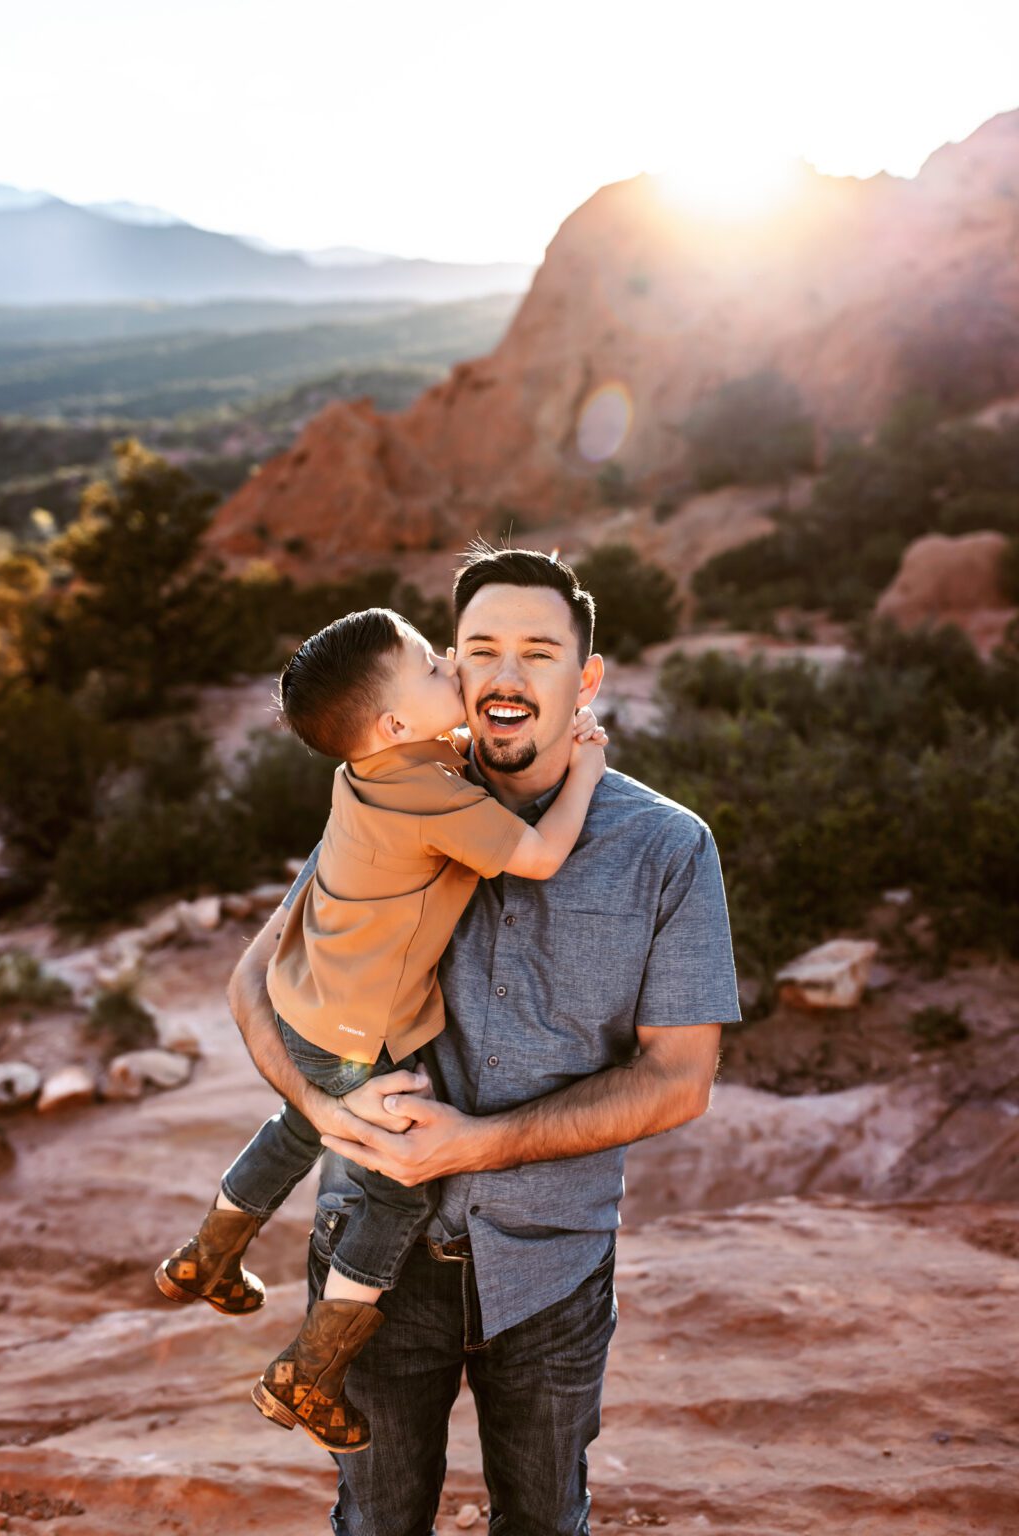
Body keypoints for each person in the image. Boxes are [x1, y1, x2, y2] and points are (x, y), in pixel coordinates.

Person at [227, 544, 741, 1536]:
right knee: (375, 1525)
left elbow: (680, 1080)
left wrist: (479, 1144)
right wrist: (320, 1105)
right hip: (369, 1265)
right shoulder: (385, 793)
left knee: (546, 1524)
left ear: (584, 678)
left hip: (550, 1270)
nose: (505, 676)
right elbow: (255, 979)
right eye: (479, 650)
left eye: (538, 652)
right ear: (450, 668)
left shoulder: (668, 848)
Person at [154, 605, 606, 1454]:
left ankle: (206, 1255)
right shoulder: (431, 796)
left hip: (307, 1007)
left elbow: (447, 755)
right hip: (364, 1036)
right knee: (399, 1184)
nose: (455, 673)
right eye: (438, 668)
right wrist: (583, 768)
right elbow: (539, 857)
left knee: (300, 1124)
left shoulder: (367, 768)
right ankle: (311, 1369)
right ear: (396, 722)